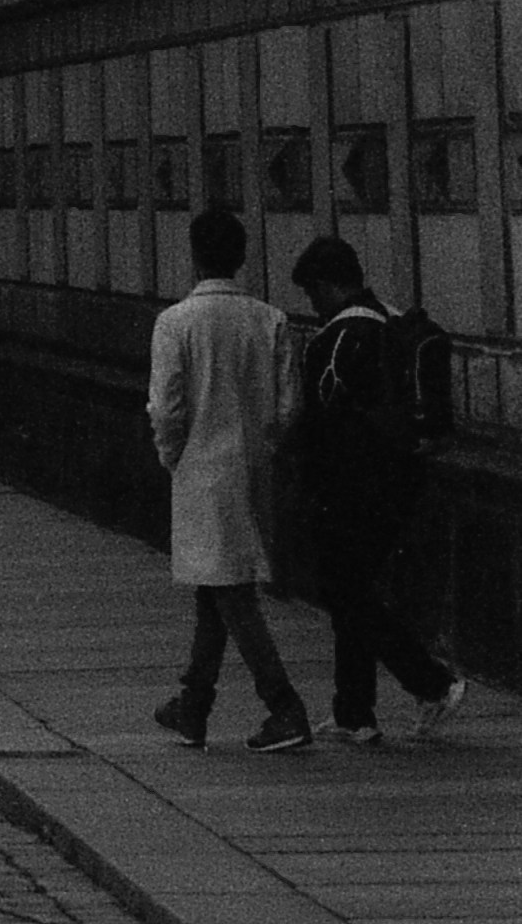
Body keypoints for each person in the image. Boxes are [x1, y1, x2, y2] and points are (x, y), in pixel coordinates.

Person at [147, 205, 312, 752]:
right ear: (241, 258)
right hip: (253, 465)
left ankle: (283, 704)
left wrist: (174, 456)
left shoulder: (175, 323)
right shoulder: (270, 321)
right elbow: (289, 408)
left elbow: (167, 408)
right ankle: (194, 703)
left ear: (194, 256)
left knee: (232, 592)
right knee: (215, 585)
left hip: (202, 466)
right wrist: (263, 447)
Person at [290, 236, 465, 743]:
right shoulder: (391, 320)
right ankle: (354, 713)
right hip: (399, 477)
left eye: (312, 293)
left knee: (345, 590)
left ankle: (432, 682)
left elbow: (321, 418)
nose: (313, 305)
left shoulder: (338, 339)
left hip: (352, 485)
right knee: (353, 588)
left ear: (326, 284)